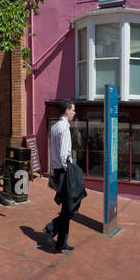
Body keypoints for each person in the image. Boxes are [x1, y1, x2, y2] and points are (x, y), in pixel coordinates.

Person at [45, 102, 84, 252]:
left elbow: (52, 151)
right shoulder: (65, 128)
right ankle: (50, 229)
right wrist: (69, 171)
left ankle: (62, 242)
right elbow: (63, 155)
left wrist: (55, 171)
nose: (74, 113)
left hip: (57, 170)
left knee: (66, 207)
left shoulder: (54, 127)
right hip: (64, 170)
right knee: (73, 205)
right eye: (73, 110)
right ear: (67, 111)